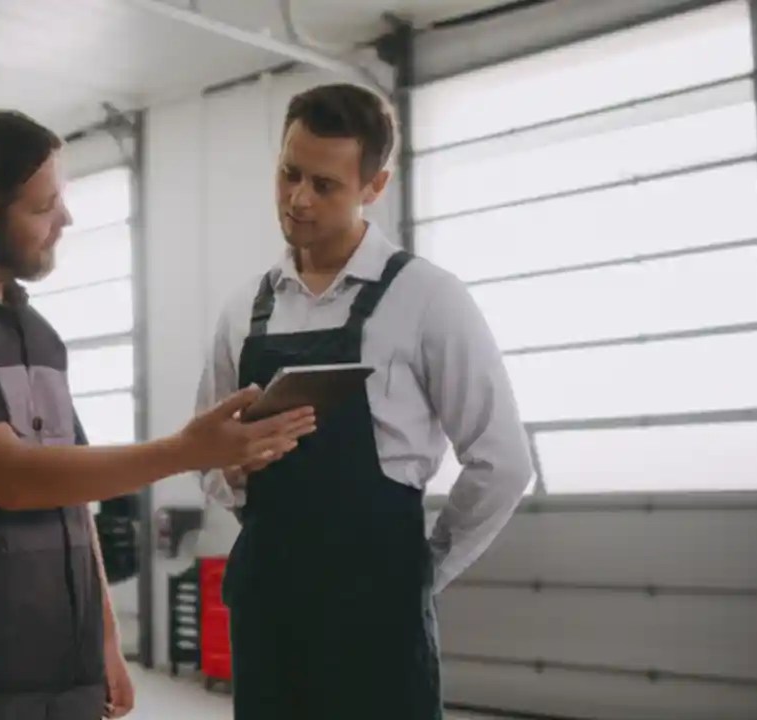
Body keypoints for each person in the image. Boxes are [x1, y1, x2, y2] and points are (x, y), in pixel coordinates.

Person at [0, 109, 317, 720]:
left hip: (64, 670)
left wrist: (106, 643)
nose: (65, 219)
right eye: (43, 207)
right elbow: (11, 477)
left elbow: (72, 493)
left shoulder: (37, 334)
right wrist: (190, 450)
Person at [195, 83, 535, 718]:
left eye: (325, 185)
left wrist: (425, 572)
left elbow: (503, 461)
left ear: (373, 187)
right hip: (269, 602)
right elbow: (205, 451)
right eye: (289, 173)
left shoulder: (429, 299)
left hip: (379, 609)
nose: (298, 199)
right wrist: (235, 478)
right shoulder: (243, 310)